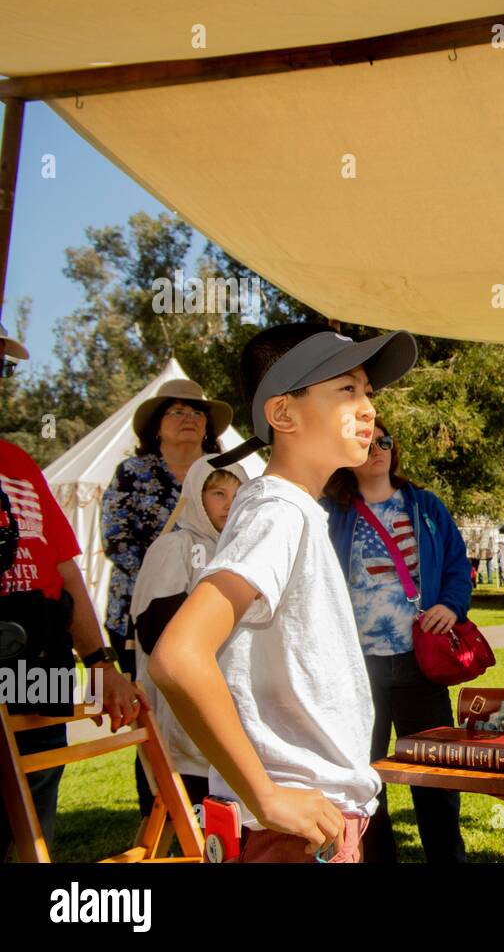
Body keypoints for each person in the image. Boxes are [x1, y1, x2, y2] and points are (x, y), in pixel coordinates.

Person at [150, 322, 418, 863]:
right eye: (347, 389)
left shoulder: (296, 510)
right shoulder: (279, 511)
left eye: (368, 392)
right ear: (283, 414)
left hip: (317, 822)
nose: (368, 409)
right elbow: (177, 658)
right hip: (293, 833)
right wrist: (266, 796)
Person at [1, 324, 144, 860]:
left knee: (34, 813)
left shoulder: (17, 462)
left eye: (2, 367)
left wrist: (101, 664)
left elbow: (65, 572)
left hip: (36, 658)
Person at [323, 418, 471, 864]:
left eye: (385, 440)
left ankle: (447, 860)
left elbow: (457, 565)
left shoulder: (424, 505)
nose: (378, 448)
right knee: (364, 778)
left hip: (418, 662)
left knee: (434, 773)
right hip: (356, 668)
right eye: (368, 441)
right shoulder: (331, 513)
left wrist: (451, 604)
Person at [103, 377, 232, 815]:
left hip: (216, 612)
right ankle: (161, 810)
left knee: (212, 710)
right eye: (177, 411)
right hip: (144, 616)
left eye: (197, 413)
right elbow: (118, 540)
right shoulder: (133, 474)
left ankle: (217, 809)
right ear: (157, 426)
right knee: (155, 712)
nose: (189, 419)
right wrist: (170, 578)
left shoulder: (223, 474)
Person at [130, 455, 248, 808]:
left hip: (234, 718)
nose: (229, 504)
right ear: (196, 497)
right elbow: (157, 634)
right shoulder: (175, 548)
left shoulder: (243, 551)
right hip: (187, 721)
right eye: (217, 494)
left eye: (238, 493)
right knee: (199, 834)